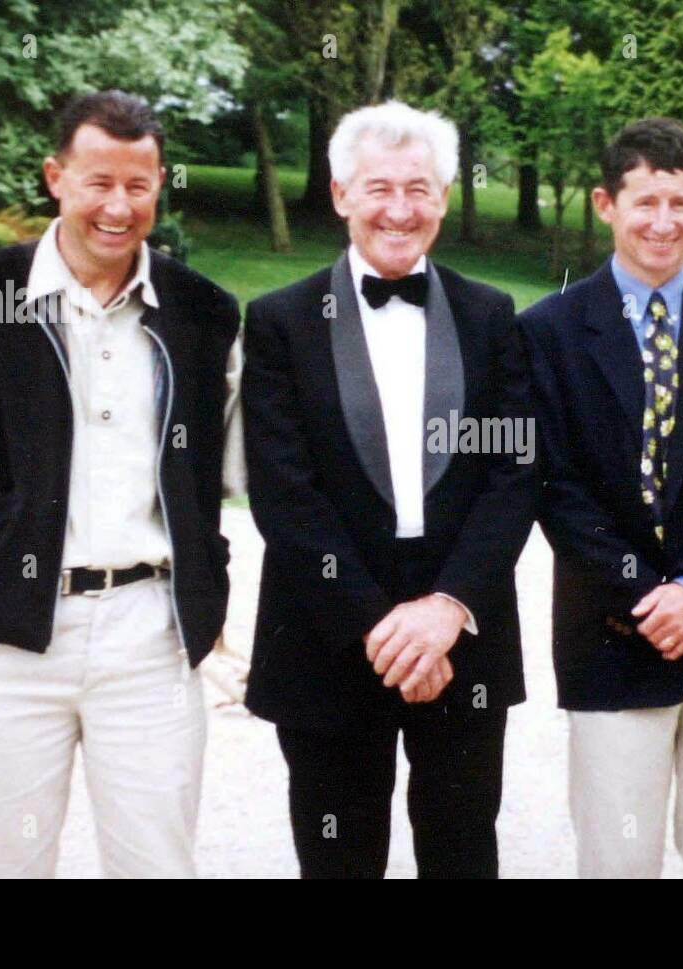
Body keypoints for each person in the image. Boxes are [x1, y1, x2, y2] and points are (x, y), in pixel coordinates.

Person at [0, 90, 244, 877]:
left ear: (161, 183)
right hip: (2, 639)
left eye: (139, 185)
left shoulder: (204, 315)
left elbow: (242, 471)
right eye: (98, 182)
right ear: (56, 177)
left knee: (159, 865)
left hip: (150, 635)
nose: (119, 206)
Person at [241, 100, 538, 878]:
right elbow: (283, 493)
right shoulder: (280, 321)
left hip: (461, 632)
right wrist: (381, 628)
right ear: (341, 194)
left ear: (442, 195)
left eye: (419, 188)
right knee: (338, 857)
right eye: (378, 188)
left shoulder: (490, 314)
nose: (400, 210)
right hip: (329, 631)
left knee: (463, 852)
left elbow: (513, 474)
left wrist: (445, 610)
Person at [517, 118, 683, 878]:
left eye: (679, 203)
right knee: (617, 856)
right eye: (644, 203)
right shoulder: (547, 332)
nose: (662, 222)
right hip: (610, 632)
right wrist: (650, 594)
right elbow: (552, 482)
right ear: (607, 204)